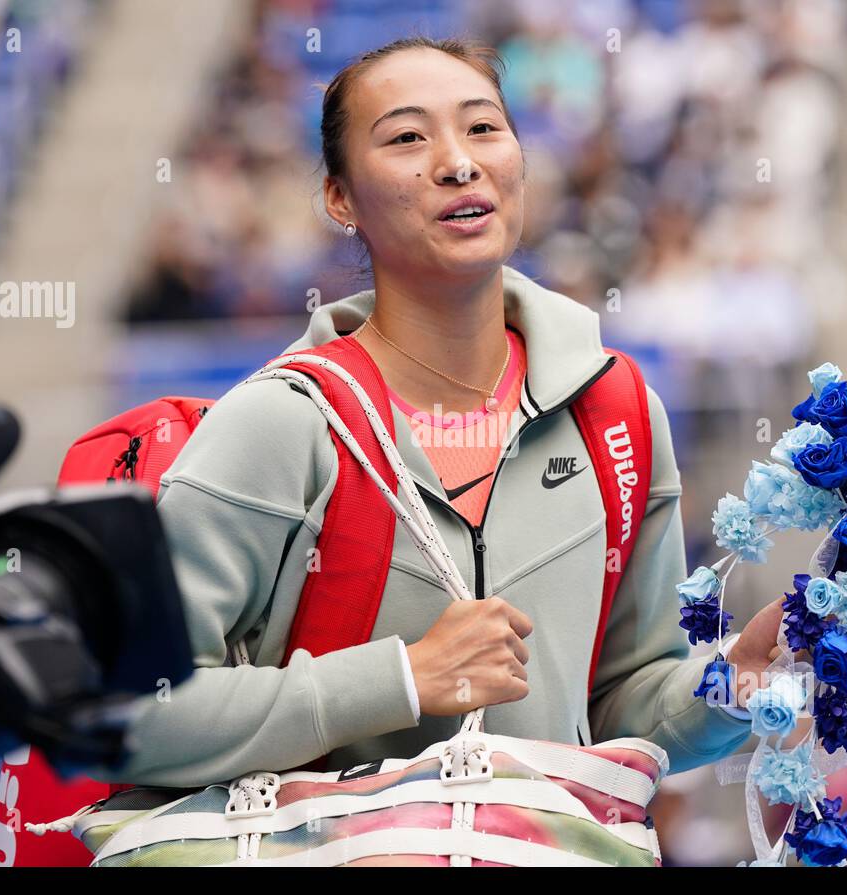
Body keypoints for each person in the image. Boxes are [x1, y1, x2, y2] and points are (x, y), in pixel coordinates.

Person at [95, 37, 786, 789]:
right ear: (339, 197)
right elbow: (130, 713)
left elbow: (612, 710)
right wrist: (399, 680)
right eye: (406, 138)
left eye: (484, 128)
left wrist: (730, 684)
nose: (458, 162)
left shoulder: (615, 412)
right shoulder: (282, 422)